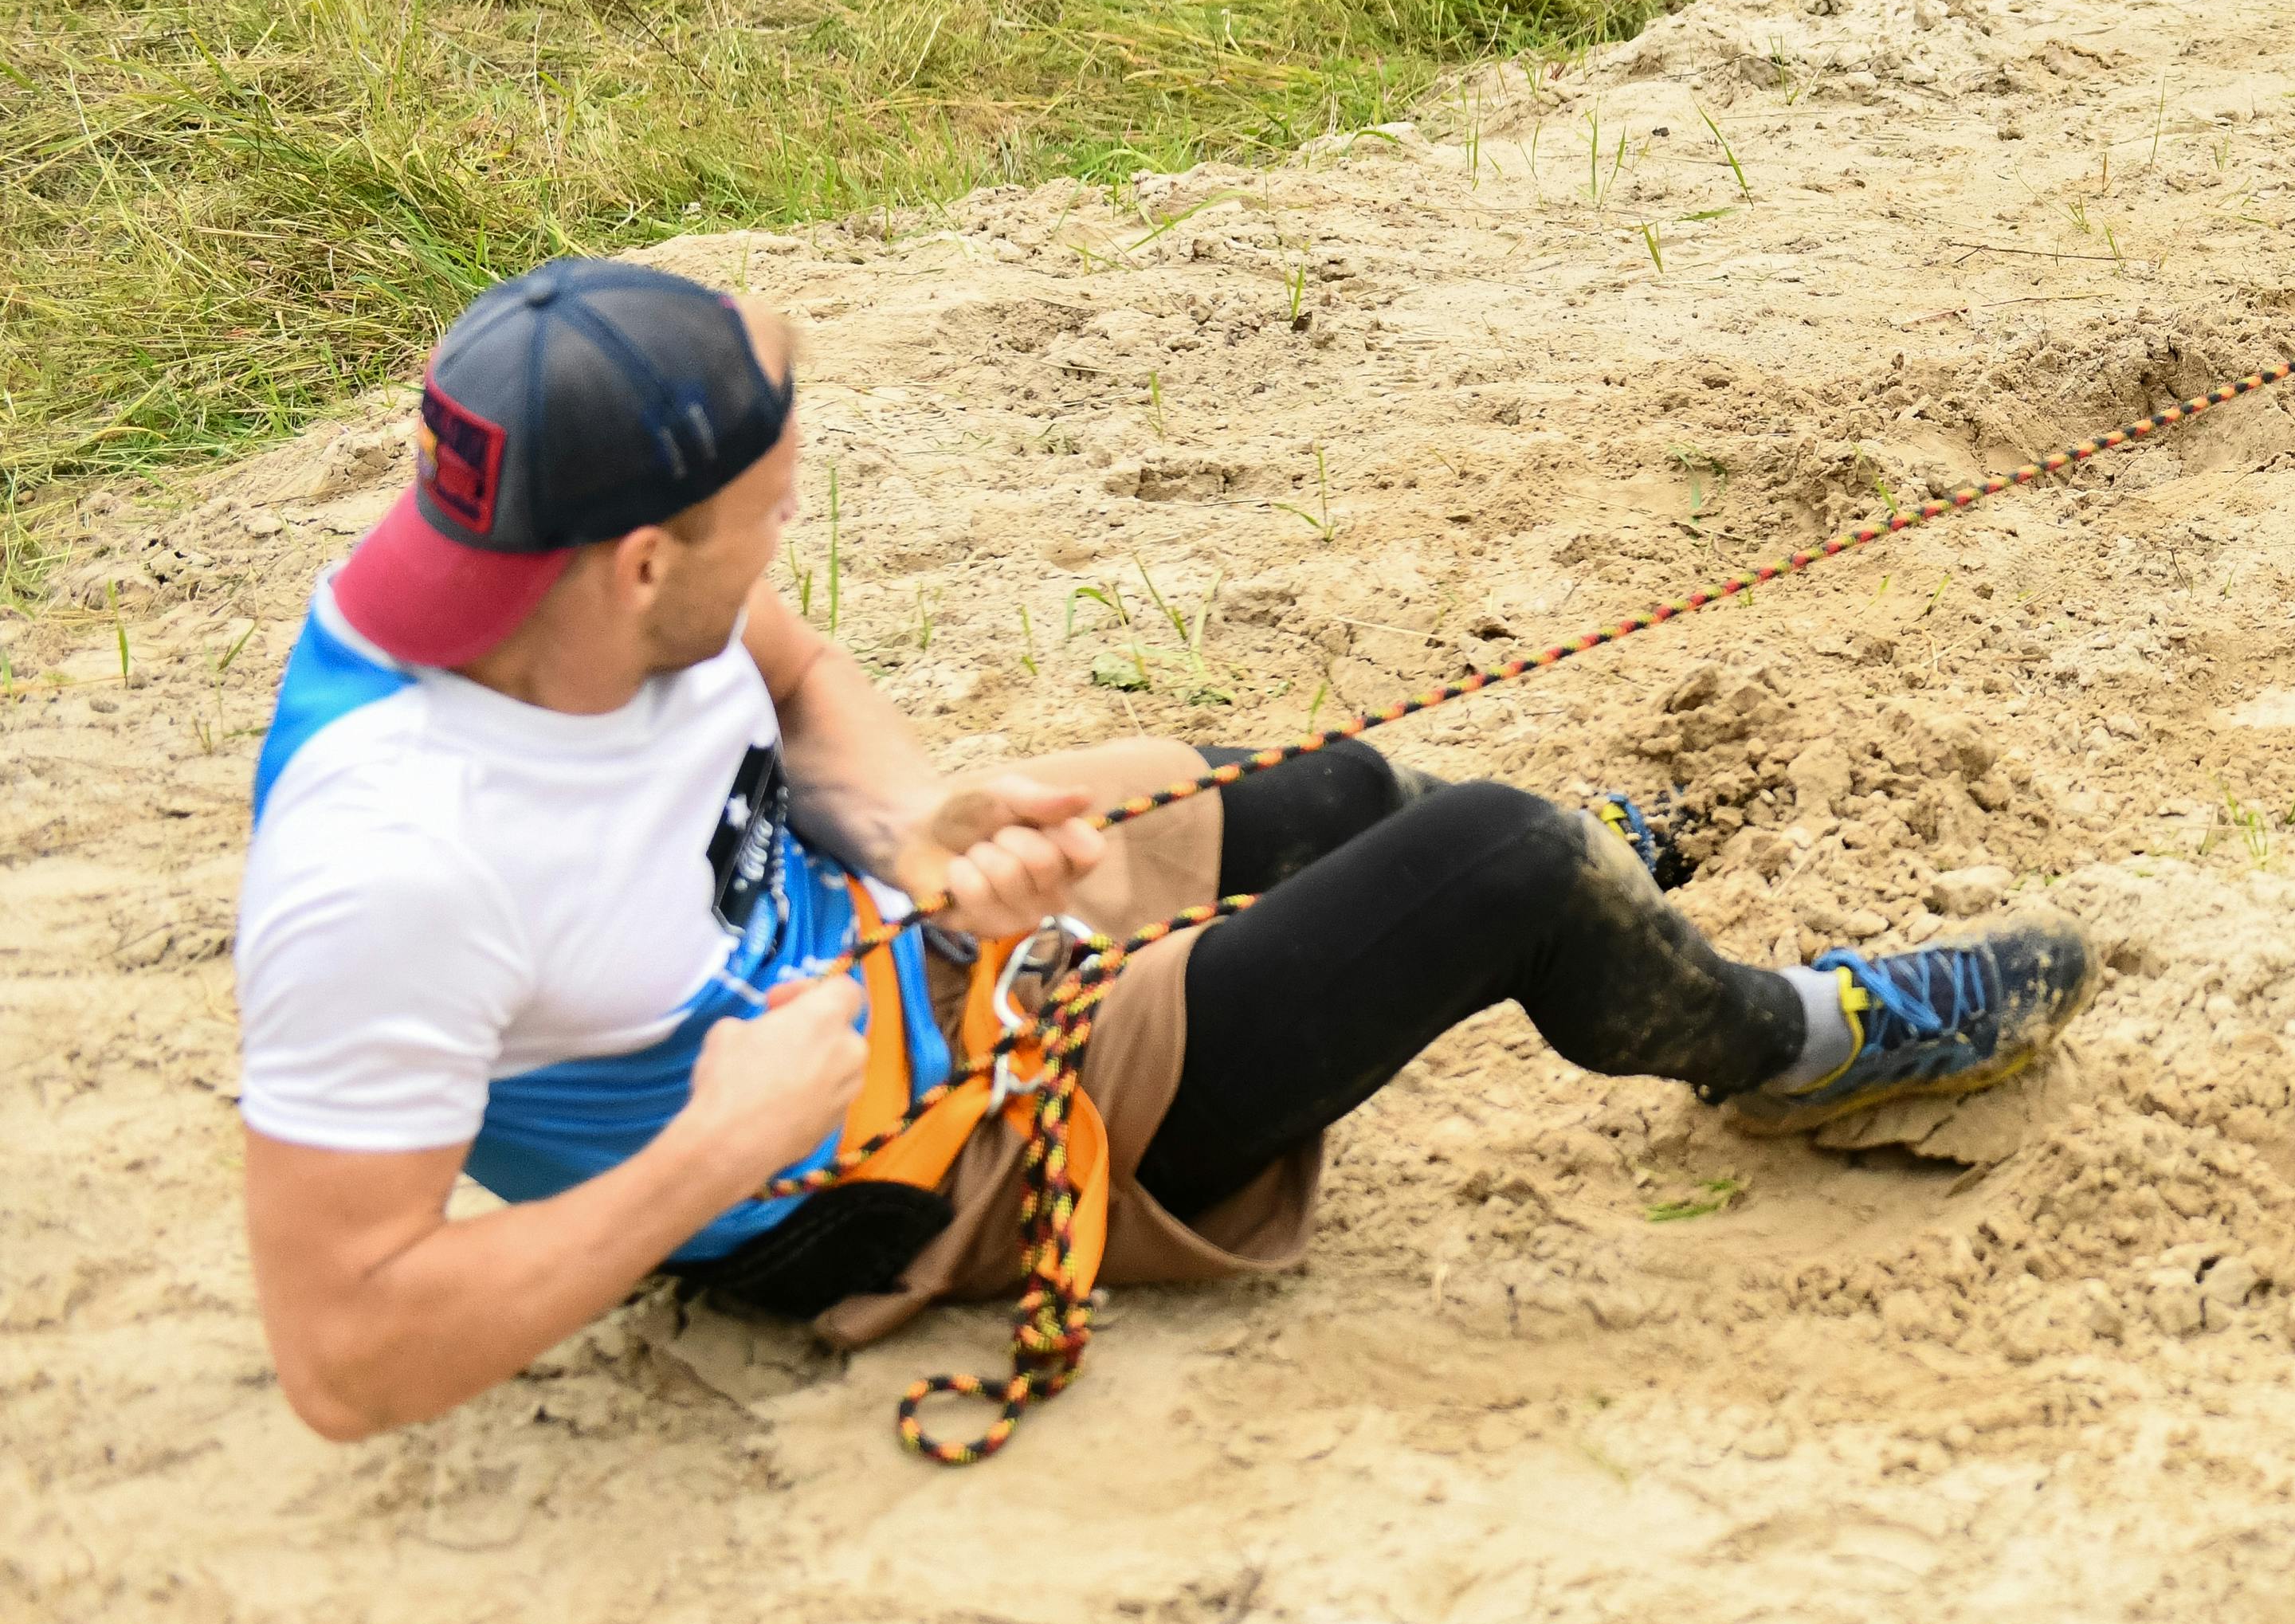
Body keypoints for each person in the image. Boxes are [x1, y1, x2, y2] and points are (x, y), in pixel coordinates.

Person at [230, 258, 2089, 1441]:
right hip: (875, 1172)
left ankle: (1523, 903)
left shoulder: (522, 571)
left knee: (1346, 797)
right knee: (1502, 863)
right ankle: (1792, 1047)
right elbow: (345, 1354)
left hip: (909, 947)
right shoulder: (391, 865)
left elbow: (787, 674)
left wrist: (913, 831)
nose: (782, 544)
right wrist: (718, 1142)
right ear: (641, 560)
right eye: (767, 514)